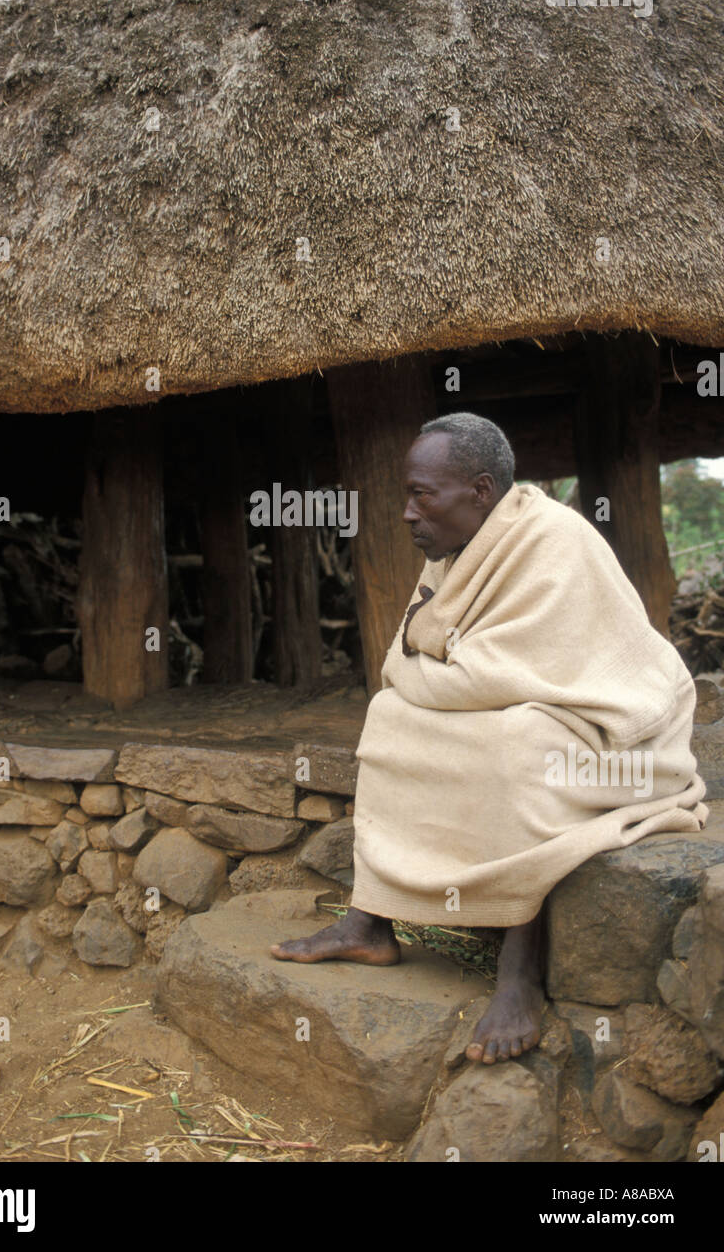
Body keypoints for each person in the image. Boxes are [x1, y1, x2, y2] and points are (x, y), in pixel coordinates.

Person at [271, 412, 707, 1064]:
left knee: (517, 744)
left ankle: (519, 968)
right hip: (520, 704)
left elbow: (489, 675)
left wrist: (432, 660)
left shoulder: (556, 542)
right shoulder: (453, 550)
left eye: (422, 495)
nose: (407, 514)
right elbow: (403, 667)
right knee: (391, 717)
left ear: (479, 490)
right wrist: (432, 663)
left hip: (616, 726)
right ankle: (370, 921)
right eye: (406, 495)